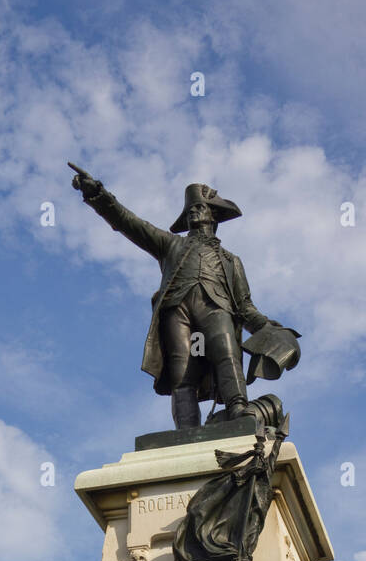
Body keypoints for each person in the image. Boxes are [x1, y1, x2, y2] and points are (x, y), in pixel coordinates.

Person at [70, 167, 299, 429]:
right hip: (176, 310)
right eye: (190, 209)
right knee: (182, 373)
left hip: (216, 308)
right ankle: (186, 430)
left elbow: (245, 306)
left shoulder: (230, 261)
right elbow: (129, 223)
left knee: (226, 351)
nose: (193, 211)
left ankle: (238, 409)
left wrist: (267, 327)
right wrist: (98, 194)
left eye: (200, 207)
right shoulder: (171, 245)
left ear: (214, 214)